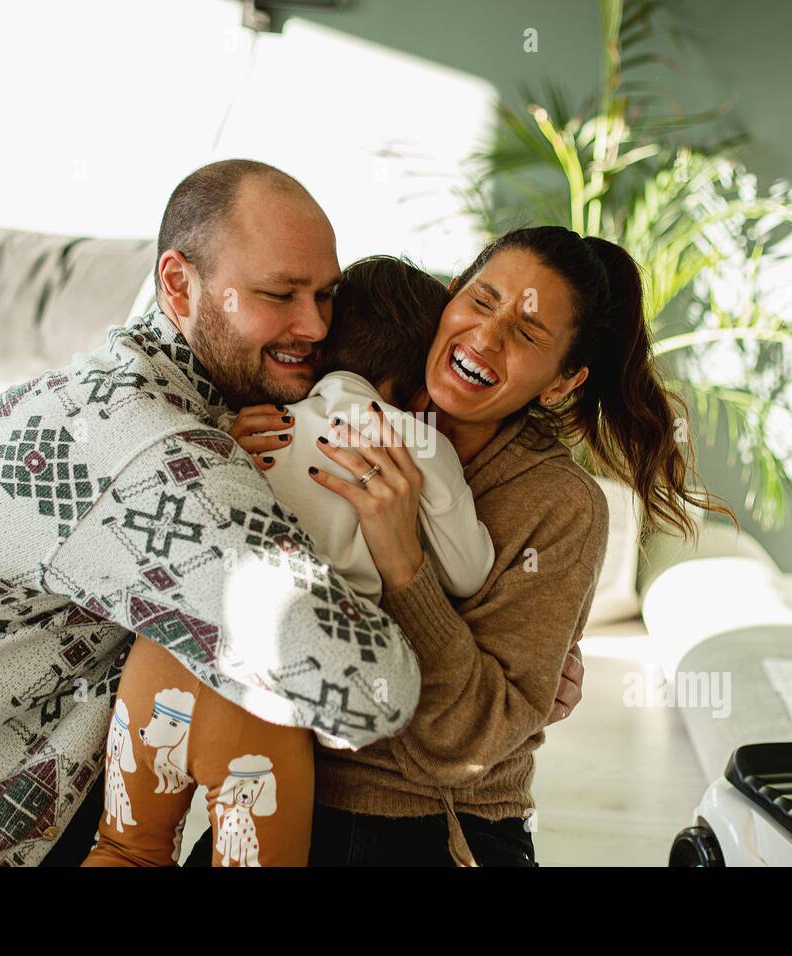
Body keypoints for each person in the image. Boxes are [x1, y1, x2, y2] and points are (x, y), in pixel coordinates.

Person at [0, 159, 430, 866]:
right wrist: (422, 582)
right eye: (279, 294)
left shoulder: (123, 391)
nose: (314, 325)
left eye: (326, 295)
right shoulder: (149, 453)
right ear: (178, 284)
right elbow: (366, 688)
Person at [184, 225, 737, 866]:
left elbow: (466, 743)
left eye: (528, 334)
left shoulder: (559, 504)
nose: (486, 337)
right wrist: (232, 452)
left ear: (561, 382)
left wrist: (403, 560)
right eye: (481, 300)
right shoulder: (304, 399)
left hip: (435, 826)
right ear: (448, 298)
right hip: (282, 790)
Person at [81, 255, 495, 866]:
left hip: (166, 651)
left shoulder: (250, 427)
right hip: (269, 686)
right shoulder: (416, 441)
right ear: (416, 376)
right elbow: (470, 571)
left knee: (125, 849)